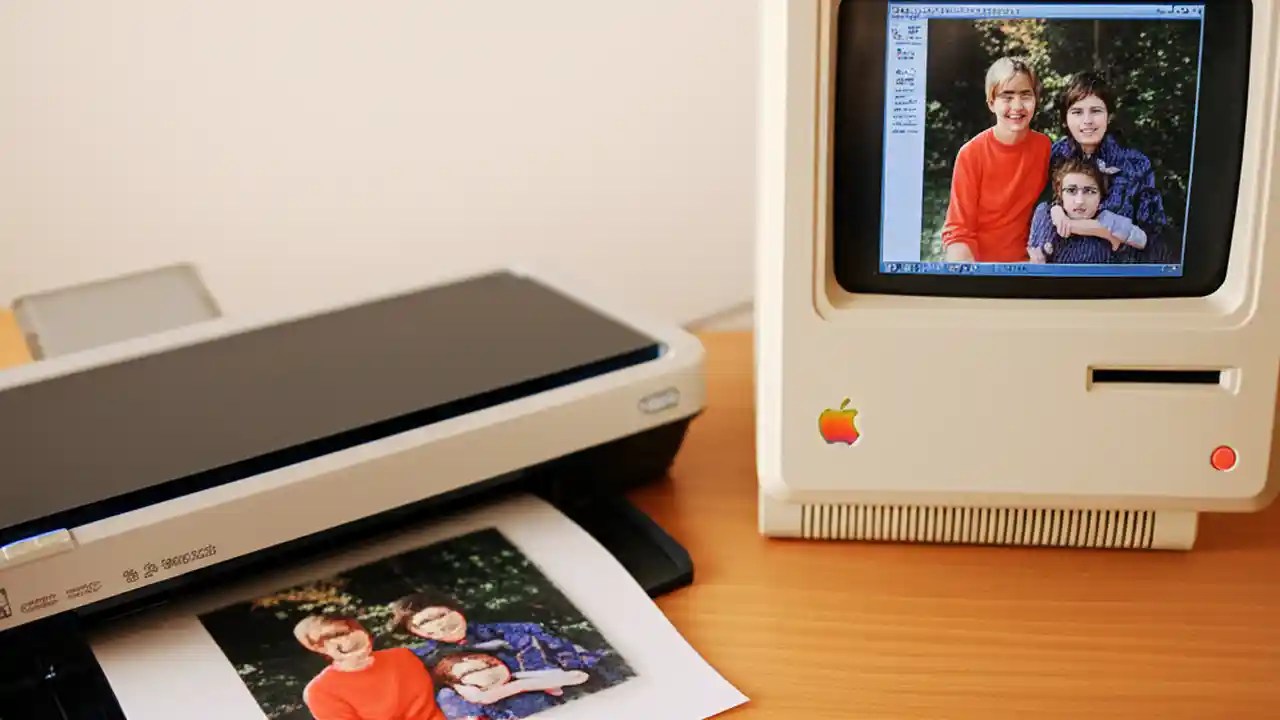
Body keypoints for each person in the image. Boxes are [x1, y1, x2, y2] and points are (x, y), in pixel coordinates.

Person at [1027, 71, 1172, 263]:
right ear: (1065, 119)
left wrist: (1106, 232)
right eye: (1077, 112)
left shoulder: (1135, 164)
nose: (1087, 120)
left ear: (1109, 116)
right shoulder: (1052, 156)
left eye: (1096, 111)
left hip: (1115, 277)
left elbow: (1157, 242)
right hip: (1056, 278)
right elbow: (1036, 211)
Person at [940, 56, 1053, 263]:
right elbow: (959, 231)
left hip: (1030, 268)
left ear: (1036, 99)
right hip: (984, 270)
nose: (1017, 106)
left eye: (1025, 95)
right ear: (991, 103)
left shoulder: (1045, 147)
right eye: (1007, 97)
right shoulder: (971, 154)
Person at [389, 590, 606, 675]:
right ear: (416, 632)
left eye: (442, 615)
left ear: (456, 610)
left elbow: (581, 662)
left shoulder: (519, 630)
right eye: (426, 622)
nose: (440, 624)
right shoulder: (420, 662)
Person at [294, 614, 446, 720]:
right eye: (332, 636)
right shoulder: (321, 691)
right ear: (317, 648)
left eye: (350, 629)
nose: (348, 638)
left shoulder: (403, 656)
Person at [1028, 158, 1148, 264]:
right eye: (1071, 191)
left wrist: (1082, 227)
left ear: (1101, 196)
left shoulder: (1108, 219)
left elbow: (1141, 239)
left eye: (1089, 191)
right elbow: (1037, 256)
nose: (1080, 201)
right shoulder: (1047, 213)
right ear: (1060, 193)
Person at [430, 652, 585, 720]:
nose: (489, 672)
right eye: (473, 671)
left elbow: (576, 678)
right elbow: (482, 698)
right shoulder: (453, 698)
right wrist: (523, 685)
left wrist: (524, 683)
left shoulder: (520, 678)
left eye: (492, 664)